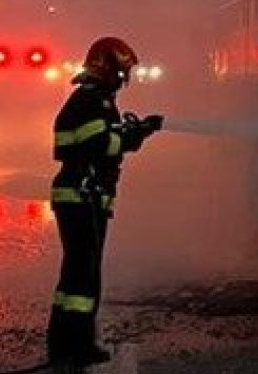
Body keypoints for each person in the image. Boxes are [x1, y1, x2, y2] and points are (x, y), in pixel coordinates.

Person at [47, 37, 163, 369]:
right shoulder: (91, 100)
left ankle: (63, 342)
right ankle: (77, 347)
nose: (124, 80)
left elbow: (103, 140)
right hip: (81, 196)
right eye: (122, 72)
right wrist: (135, 133)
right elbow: (101, 145)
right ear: (106, 68)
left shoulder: (94, 99)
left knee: (76, 275)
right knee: (83, 279)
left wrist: (134, 132)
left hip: (81, 194)